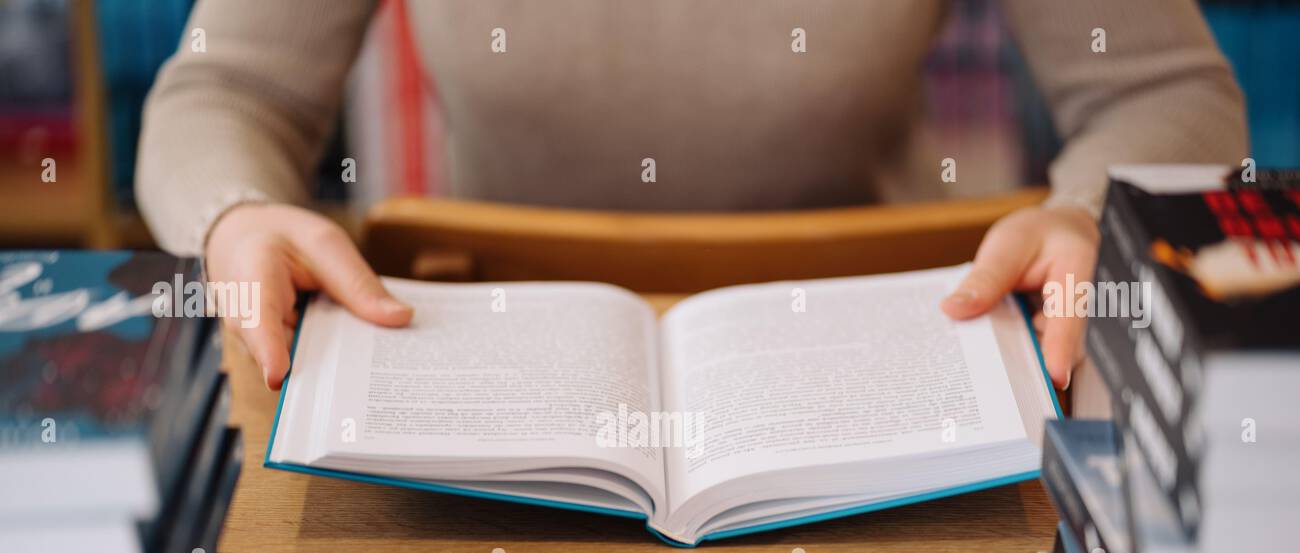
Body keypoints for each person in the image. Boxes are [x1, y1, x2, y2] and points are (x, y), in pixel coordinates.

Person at [136, 0, 1246, 391]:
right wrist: (236, 213)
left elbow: (1164, 89)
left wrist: (1086, 210)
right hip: (476, 374)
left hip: (902, 373)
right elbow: (222, 87)